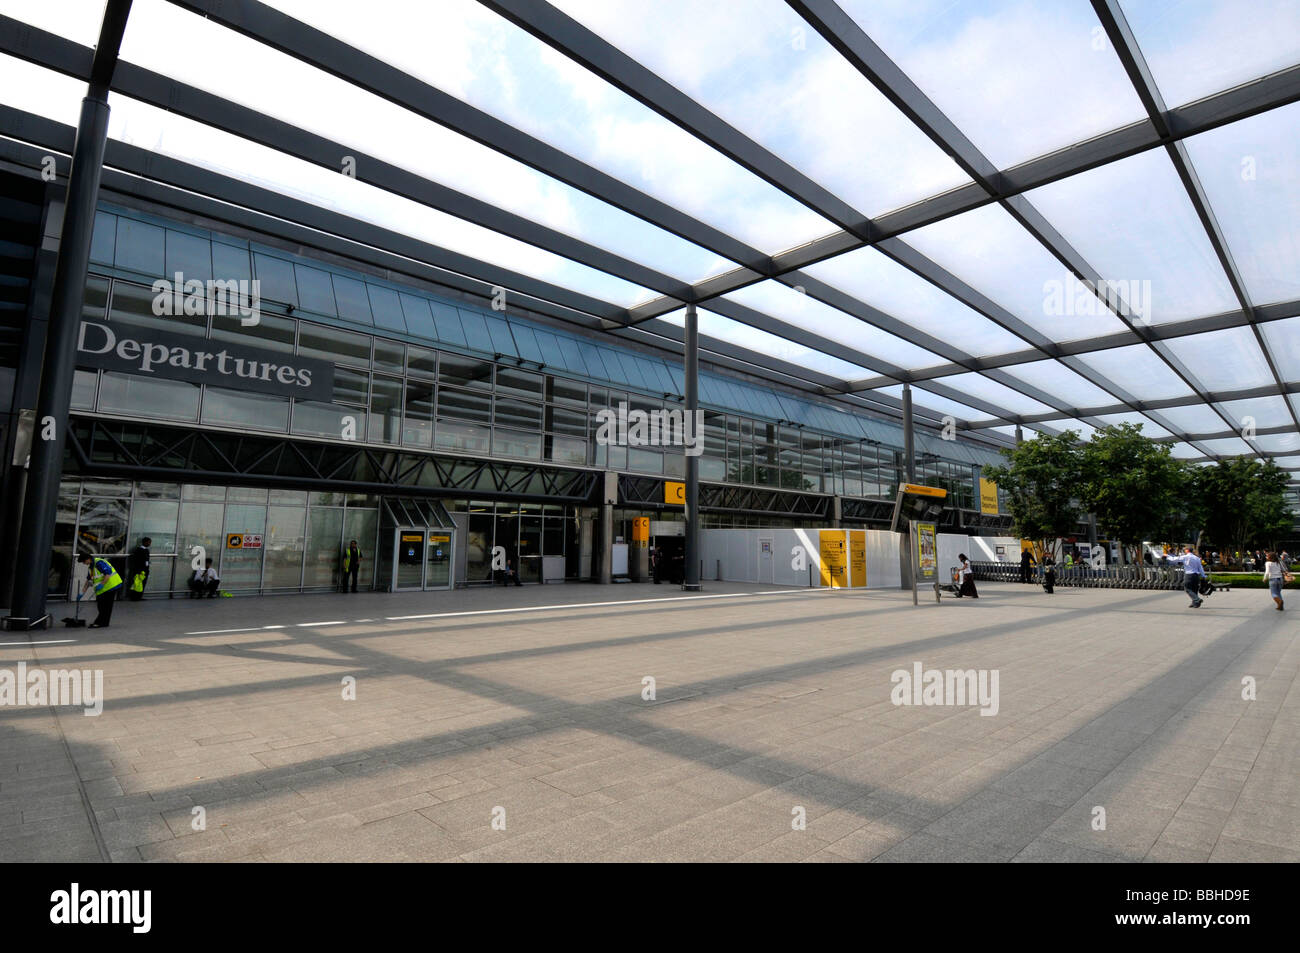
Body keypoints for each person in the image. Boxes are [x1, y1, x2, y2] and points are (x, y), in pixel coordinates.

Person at [78, 553, 122, 628]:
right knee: (102, 605)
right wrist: (82, 593)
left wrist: (102, 584)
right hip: (104, 588)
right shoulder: (91, 568)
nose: (84, 563)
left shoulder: (99, 562)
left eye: (84, 561)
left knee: (105, 606)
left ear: (88, 558)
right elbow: (88, 581)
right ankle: (103, 623)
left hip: (111, 586)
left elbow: (108, 573)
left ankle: (100, 623)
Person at [126, 536, 152, 601]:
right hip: (139, 570)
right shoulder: (138, 550)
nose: (150, 544)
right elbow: (136, 561)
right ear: (145, 542)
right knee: (137, 583)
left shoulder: (146, 550)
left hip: (145, 570)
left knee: (142, 583)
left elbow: (146, 561)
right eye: (149, 542)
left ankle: (139, 596)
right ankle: (134, 597)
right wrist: (138, 570)